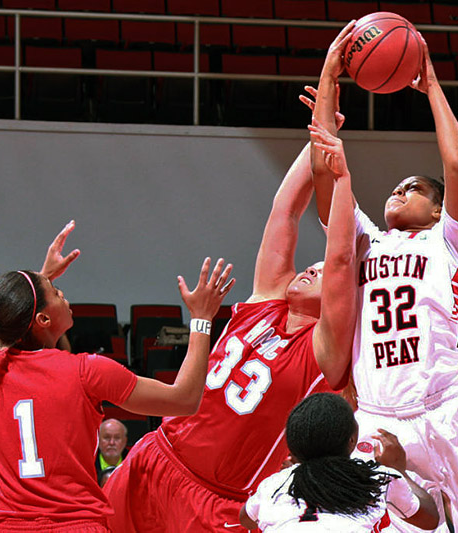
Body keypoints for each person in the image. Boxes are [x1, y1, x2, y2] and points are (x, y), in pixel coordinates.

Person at [104, 25, 358, 531]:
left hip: (217, 502)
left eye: (315, 272)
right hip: (153, 459)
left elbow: (341, 260)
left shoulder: (324, 349)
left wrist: (343, 172)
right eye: (305, 267)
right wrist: (323, 114)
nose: (307, 268)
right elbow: (285, 210)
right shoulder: (266, 299)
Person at [309, 22, 458, 532]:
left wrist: (431, 85)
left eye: (412, 187)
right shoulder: (366, 240)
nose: (397, 190)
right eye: (395, 186)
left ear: (439, 212)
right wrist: (329, 77)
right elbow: (324, 171)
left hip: (447, 414)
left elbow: (457, 165)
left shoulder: (449, 243)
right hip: (378, 417)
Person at [0, 222, 234, 530]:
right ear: (42, 318)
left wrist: (41, 280)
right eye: (55, 292)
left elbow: (3, 328)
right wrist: (202, 319)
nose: (62, 292)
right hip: (75, 525)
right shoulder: (86, 370)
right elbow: (185, 400)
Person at [239, 393, 439, 532]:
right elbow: (429, 519)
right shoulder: (378, 478)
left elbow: (246, 519)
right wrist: (398, 470)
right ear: (352, 440)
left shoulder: (274, 484)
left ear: (293, 450)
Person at [96, 419, 128, 485]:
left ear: (125, 441)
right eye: (107, 437)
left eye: (117, 438)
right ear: (98, 440)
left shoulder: (134, 463)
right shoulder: (87, 465)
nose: (112, 443)